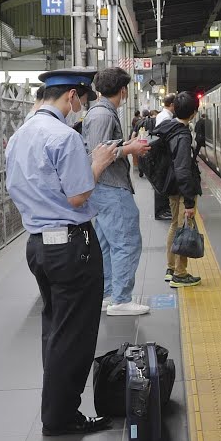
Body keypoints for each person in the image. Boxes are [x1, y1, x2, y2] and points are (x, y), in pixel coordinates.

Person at [5, 68, 118, 436]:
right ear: (72, 96)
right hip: (72, 247)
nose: (79, 109)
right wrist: (98, 164)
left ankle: (56, 409)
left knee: (55, 329)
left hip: (38, 246)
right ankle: (61, 417)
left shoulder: (17, 137)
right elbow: (78, 194)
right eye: (80, 102)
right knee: (75, 334)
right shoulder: (64, 137)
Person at [82, 67, 152, 317]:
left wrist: (126, 145)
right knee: (126, 242)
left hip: (104, 188)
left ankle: (109, 293)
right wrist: (130, 149)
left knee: (108, 243)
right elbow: (99, 154)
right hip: (111, 187)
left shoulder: (98, 112)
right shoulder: (103, 115)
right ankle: (121, 299)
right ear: (123, 90)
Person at [152, 92, 203, 288]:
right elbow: (183, 169)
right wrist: (189, 202)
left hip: (172, 187)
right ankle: (180, 274)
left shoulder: (169, 127)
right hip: (181, 189)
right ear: (193, 113)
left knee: (175, 225)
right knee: (184, 228)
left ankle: (171, 268)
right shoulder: (182, 134)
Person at [152, 95, 176, 220]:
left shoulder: (162, 115)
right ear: (172, 104)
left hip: (160, 153)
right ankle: (161, 211)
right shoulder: (166, 118)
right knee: (162, 181)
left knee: (161, 181)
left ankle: (163, 210)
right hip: (163, 153)